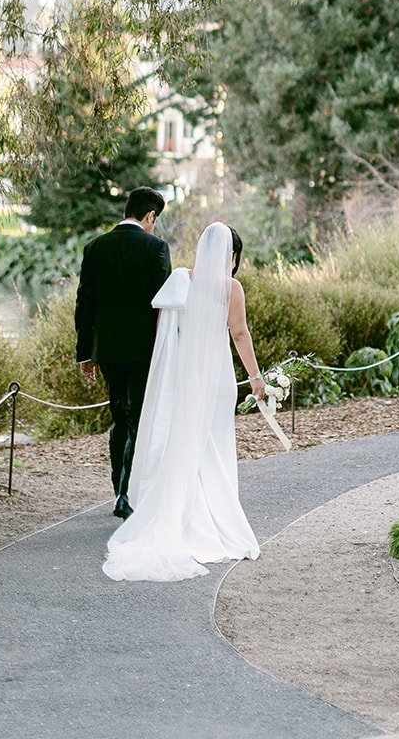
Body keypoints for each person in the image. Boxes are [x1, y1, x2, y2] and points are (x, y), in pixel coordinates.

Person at [102, 221, 267, 582]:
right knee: (215, 448)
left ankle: (181, 516)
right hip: (218, 378)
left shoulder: (179, 279)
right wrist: (256, 377)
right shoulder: (231, 288)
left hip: (184, 378)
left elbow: (164, 332)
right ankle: (215, 517)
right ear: (233, 256)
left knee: (186, 445)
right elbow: (239, 334)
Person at [74, 186, 172, 520]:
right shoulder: (156, 248)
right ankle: (125, 495)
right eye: (154, 220)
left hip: (107, 350)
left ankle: (119, 488)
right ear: (150, 216)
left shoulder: (95, 247)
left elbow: (84, 304)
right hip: (144, 350)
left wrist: (85, 353)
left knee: (119, 417)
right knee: (140, 419)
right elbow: (163, 305)